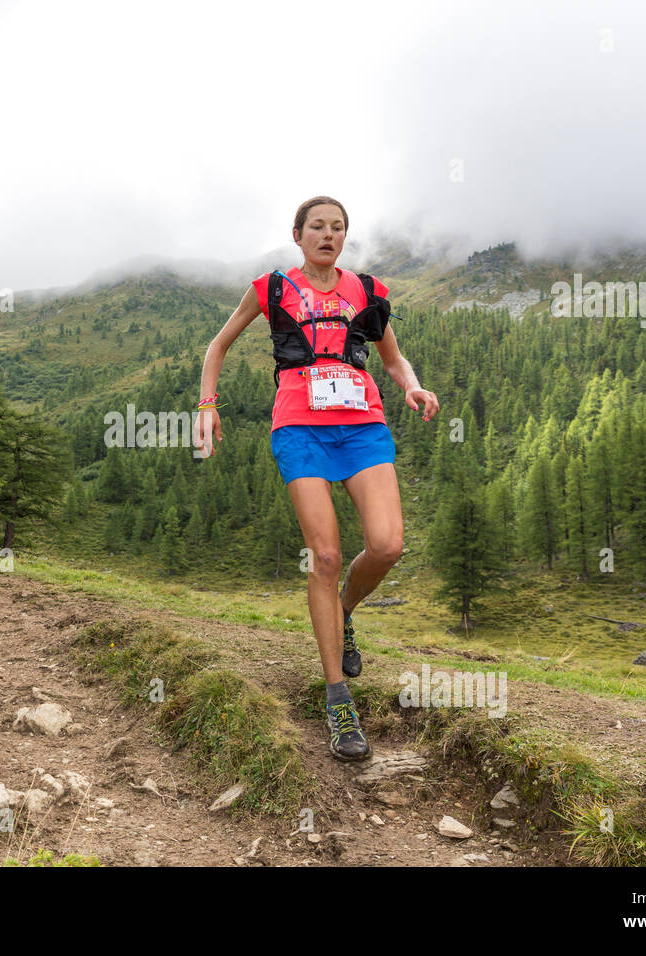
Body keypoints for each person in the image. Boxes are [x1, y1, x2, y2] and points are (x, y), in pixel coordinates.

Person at [194, 196, 439, 761]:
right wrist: (208, 402)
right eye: (318, 227)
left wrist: (411, 384)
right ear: (298, 234)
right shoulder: (272, 287)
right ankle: (337, 698)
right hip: (299, 427)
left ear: (345, 237)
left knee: (388, 544)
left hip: (362, 425)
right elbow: (218, 344)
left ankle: (344, 611)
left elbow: (393, 358)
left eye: (338, 228)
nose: (328, 235)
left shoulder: (368, 291)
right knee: (325, 556)